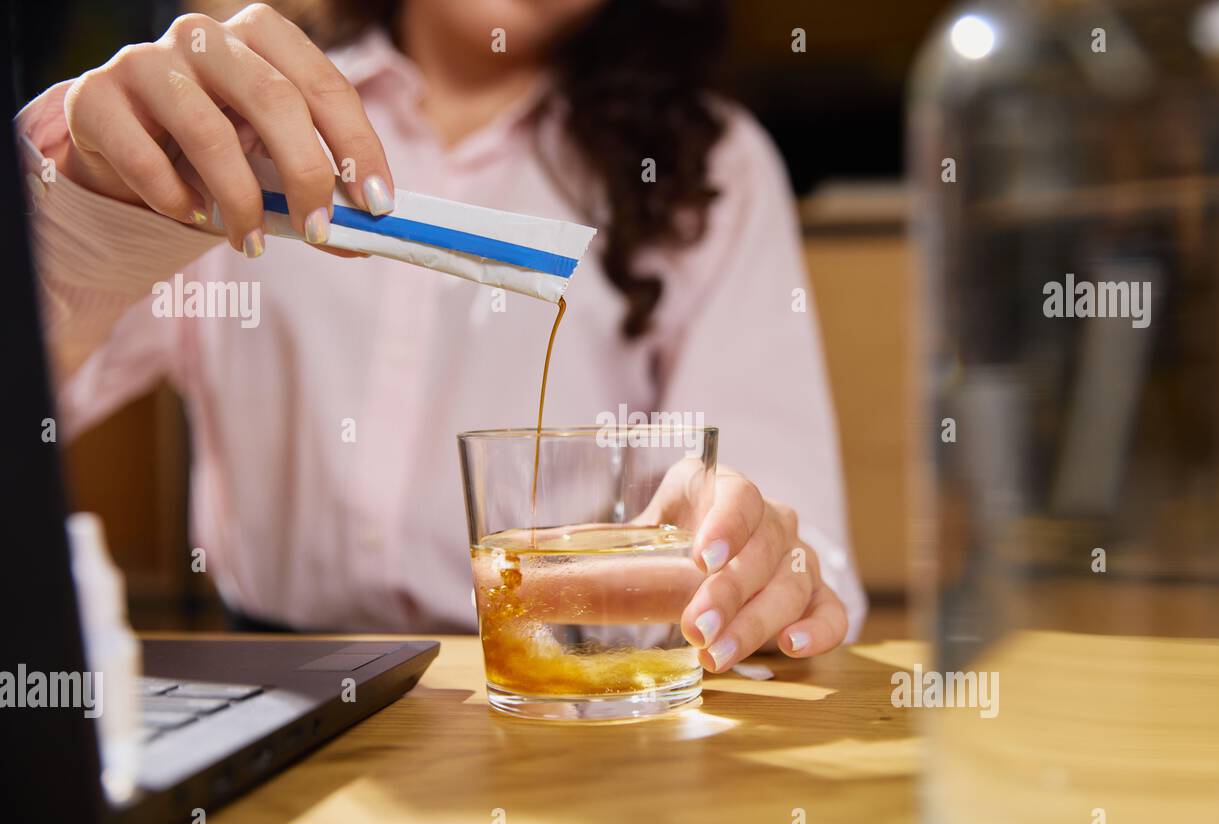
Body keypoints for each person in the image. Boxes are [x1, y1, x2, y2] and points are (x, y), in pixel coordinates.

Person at [17, 0, 865, 672]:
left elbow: (787, 526)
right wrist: (74, 218)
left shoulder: (714, 167)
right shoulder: (233, 129)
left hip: (577, 694)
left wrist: (758, 564)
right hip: (269, 678)